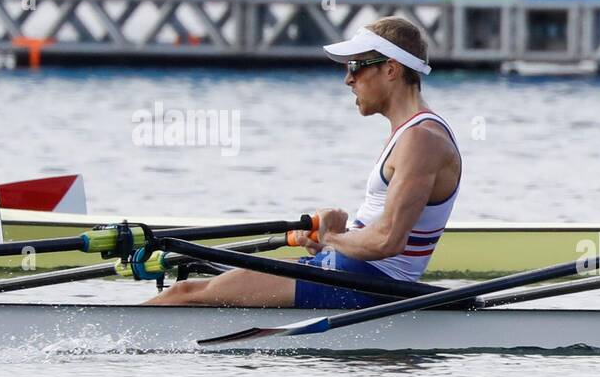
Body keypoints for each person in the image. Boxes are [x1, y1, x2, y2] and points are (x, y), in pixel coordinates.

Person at [147, 17, 461, 308]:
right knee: (195, 291)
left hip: (366, 283)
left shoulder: (421, 140)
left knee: (184, 294)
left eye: (356, 66)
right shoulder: (412, 134)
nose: (348, 79)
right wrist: (342, 235)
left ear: (391, 70)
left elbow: (388, 241)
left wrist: (332, 239)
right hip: (351, 272)